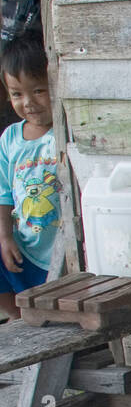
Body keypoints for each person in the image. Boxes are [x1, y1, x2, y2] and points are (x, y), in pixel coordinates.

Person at [0, 29, 56, 319]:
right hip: (25, 246)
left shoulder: (64, 133)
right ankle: (18, 321)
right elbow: (3, 192)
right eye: (17, 94)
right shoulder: (10, 139)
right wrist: (5, 236)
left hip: (59, 249)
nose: (28, 103)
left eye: (38, 90)